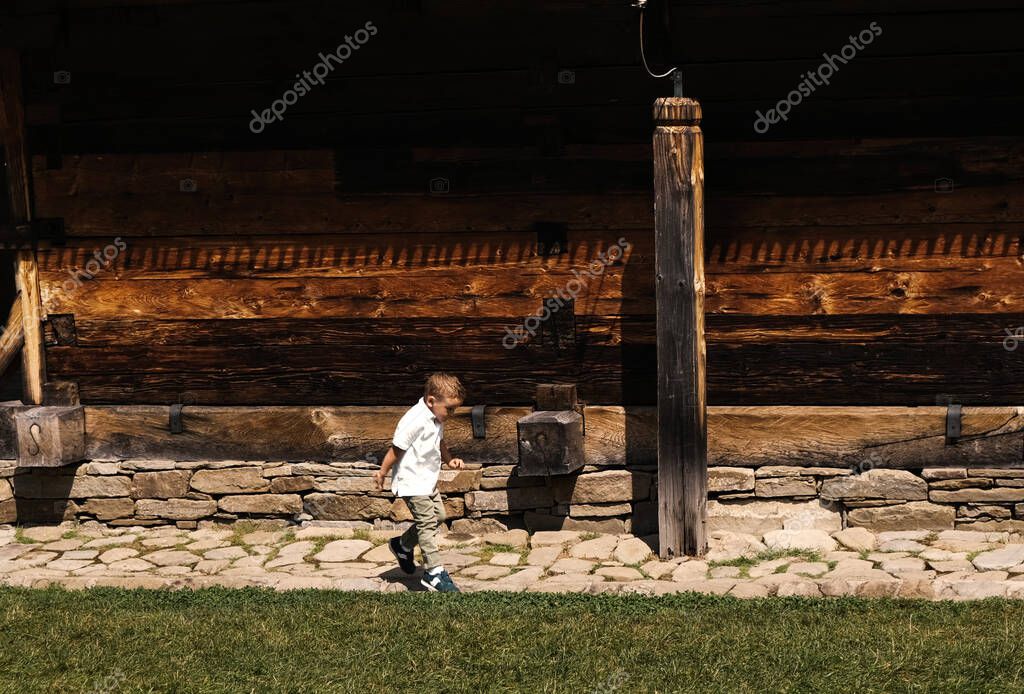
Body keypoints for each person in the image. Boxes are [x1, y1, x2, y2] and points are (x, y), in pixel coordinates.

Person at [373, 372, 466, 592]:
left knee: (439, 516)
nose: (451, 414)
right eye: (450, 408)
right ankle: (433, 572)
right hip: (412, 481)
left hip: (427, 480)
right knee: (426, 522)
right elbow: (396, 449)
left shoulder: (437, 416)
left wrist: (450, 460)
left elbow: (440, 442)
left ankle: (402, 545)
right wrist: (382, 472)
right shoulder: (414, 420)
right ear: (431, 400)